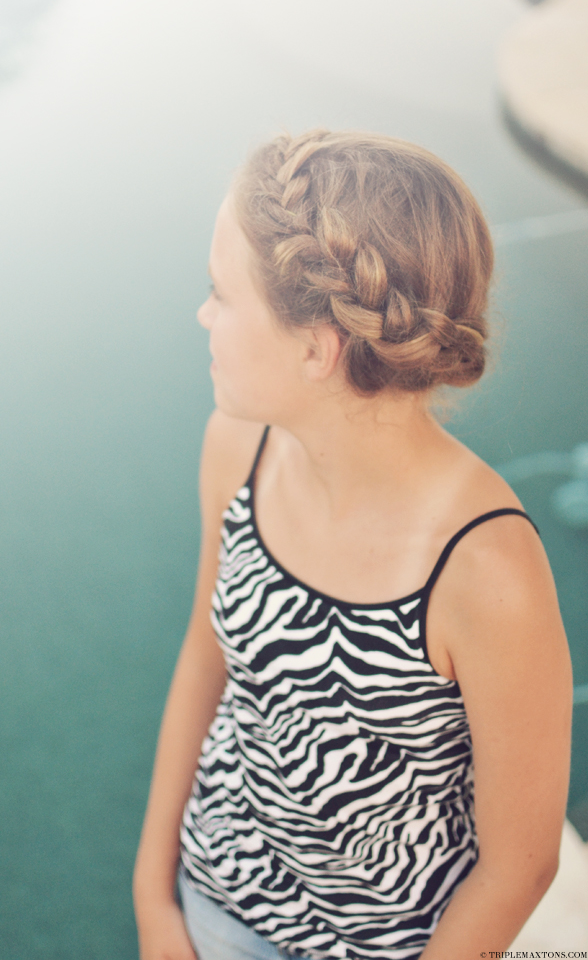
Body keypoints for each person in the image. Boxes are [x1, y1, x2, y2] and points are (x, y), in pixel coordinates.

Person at [133, 129, 572, 960]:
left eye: (221, 293)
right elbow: (204, 656)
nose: (203, 314)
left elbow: (520, 864)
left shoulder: (484, 571)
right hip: (215, 901)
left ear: (316, 348)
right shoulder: (238, 447)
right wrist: (156, 901)